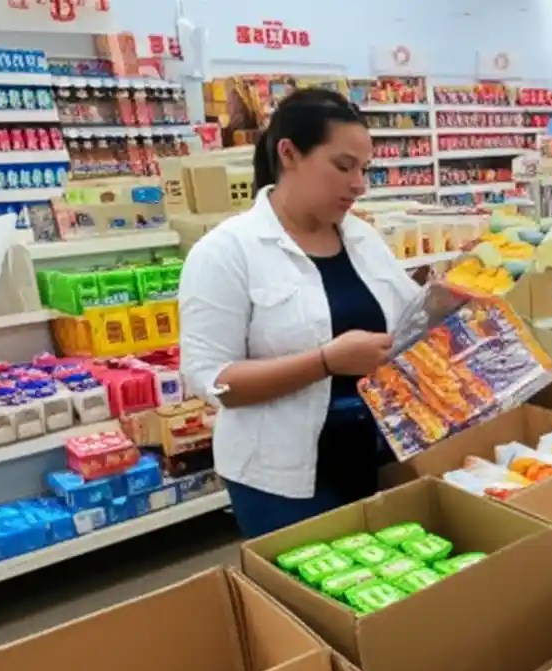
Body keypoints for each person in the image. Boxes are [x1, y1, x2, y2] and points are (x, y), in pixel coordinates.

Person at [179, 88, 422, 538]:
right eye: (343, 166)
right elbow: (214, 381)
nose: (359, 185)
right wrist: (325, 362)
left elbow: (409, 317)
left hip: (381, 454)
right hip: (283, 478)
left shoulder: (362, 240)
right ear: (289, 153)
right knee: (308, 599)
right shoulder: (226, 252)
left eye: (364, 170)